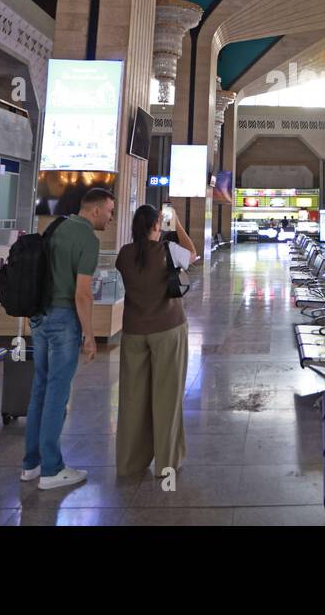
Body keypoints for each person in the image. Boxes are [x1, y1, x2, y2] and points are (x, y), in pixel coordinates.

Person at [22, 186, 115, 491]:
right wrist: (90, 335)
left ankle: (31, 464)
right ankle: (52, 469)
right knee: (57, 394)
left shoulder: (56, 227)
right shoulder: (87, 238)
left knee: (40, 389)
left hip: (40, 317)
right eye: (110, 212)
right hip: (63, 320)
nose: (111, 218)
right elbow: (83, 294)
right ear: (96, 210)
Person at [115, 203, 196, 477]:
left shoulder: (125, 254)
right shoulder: (168, 250)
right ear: (156, 225)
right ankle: (167, 462)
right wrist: (178, 225)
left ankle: (130, 462)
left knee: (132, 397)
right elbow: (193, 254)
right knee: (166, 395)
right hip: (168, 328)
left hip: (133, 331)